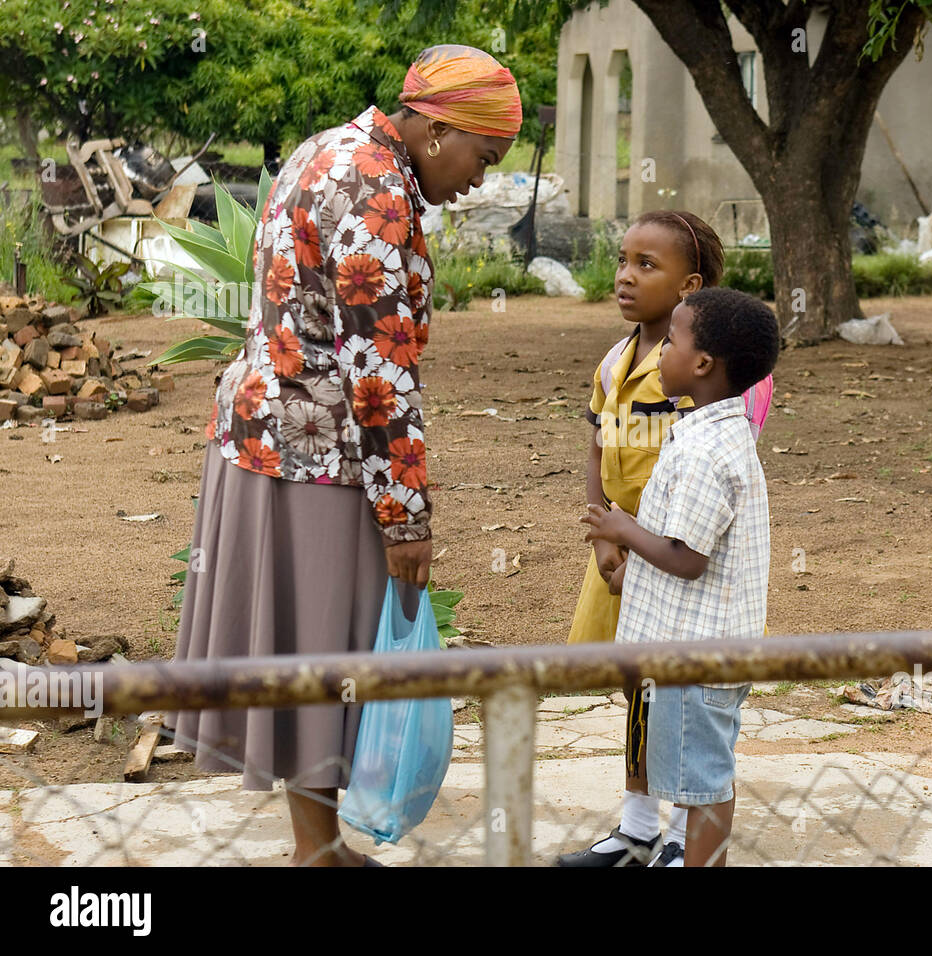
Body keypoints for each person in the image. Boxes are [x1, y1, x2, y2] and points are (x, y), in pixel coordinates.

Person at [168, 44, 520, 867]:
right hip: (319, 456)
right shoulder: (377, 193)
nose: (481, 178)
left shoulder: (325, 148)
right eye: (483, 155)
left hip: (259, 430)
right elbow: (379, 371)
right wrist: (406, 516)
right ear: (436, 129)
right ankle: (316, 850)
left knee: (301, 647)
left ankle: (316, 845)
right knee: (329, 652)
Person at [556, 212, 773, 867]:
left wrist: (627, 535)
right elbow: (597, 446)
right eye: (623, 260)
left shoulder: (706, 403)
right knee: (640, 691)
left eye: (646, 265)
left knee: (690, 728)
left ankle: (683, 841)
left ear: (690, 285)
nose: (625, 276)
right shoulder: (616, 361)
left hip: (677, 582)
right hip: (632, 566)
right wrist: (606, 543)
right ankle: (638, 827)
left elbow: (692, 541)